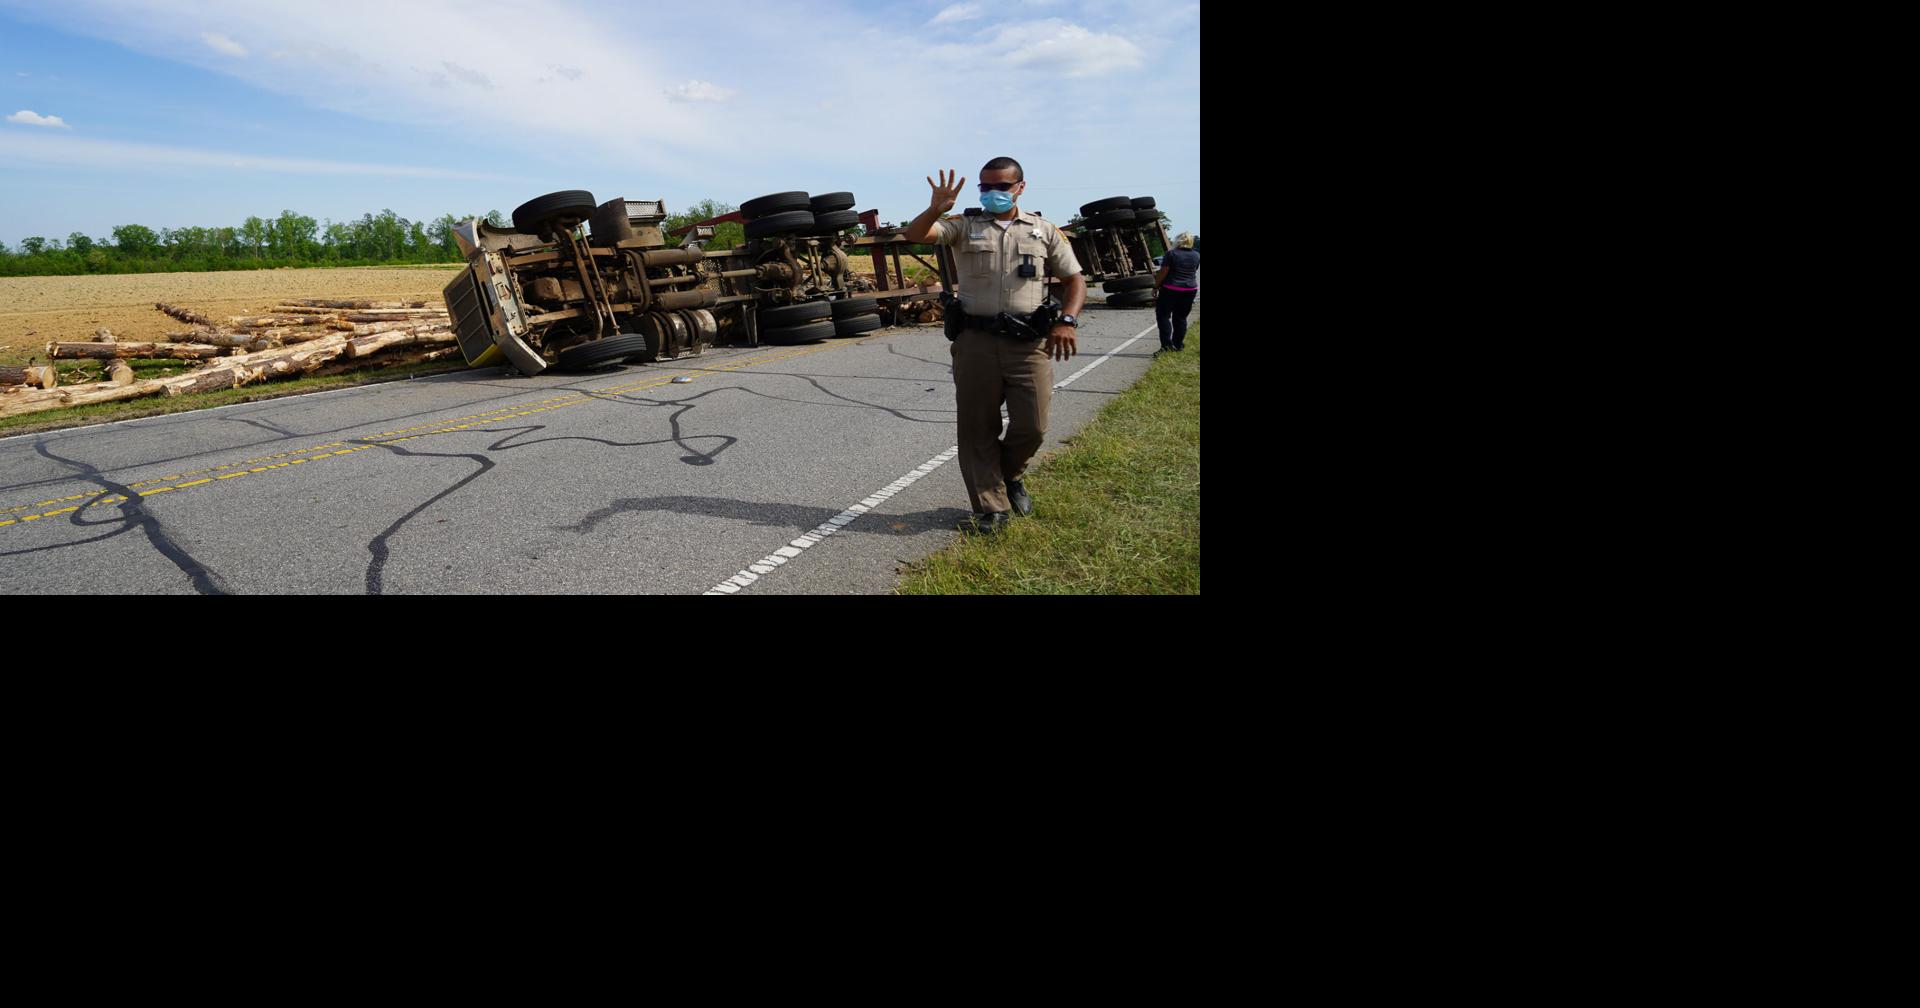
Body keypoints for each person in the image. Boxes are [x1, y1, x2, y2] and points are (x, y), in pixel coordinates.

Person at [904, 158, 1087, 534]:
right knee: (977, 427)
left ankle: (1009, 474)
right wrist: (934, 209)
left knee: (1033, 426)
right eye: (985, 188)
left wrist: (1067, 320)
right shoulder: (964, 226)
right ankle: (992, 508)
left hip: (1027, 345)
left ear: (1020, 187)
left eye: (1001, 187)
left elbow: (1075, 281)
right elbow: (915, 234)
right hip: (975, 343)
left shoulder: (1044, 231)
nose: (992, 194)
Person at [1153, 232, 1199, 351]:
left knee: (1163, 316)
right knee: (1180, 317)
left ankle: (1166, 346)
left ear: (1178, 241)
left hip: (1171, 289)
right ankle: (1178, 344)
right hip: (1190, 289)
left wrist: (1156, 286)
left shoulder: (1171, 254)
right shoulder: (1196, 255)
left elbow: (1163, 272)